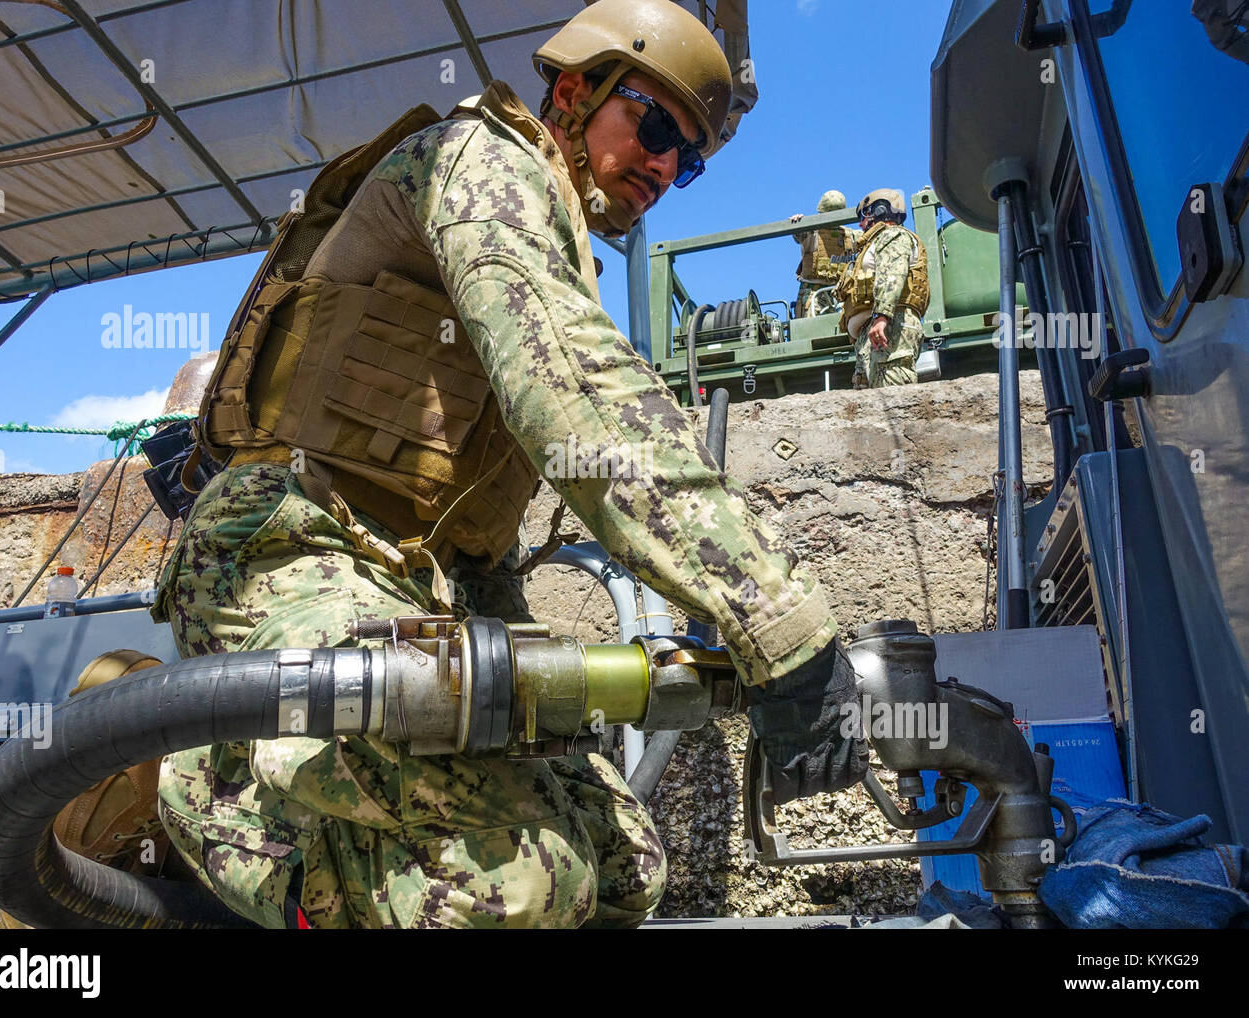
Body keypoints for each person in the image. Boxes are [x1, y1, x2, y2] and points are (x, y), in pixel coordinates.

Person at [150, 0, 867, 930]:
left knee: (622, 870)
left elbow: (483, 524)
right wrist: (779, 620)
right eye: (652, 125)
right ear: (574, 90)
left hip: (429, 586)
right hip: (292, 544)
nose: (664, 165)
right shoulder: (482, 165)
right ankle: (213, 771)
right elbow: (576, 388)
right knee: (513, 889)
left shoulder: (558, 238)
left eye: (687, 160)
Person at [834, 188, 931, 387]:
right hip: (871, 335)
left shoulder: (893, 235)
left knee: (893, 400)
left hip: (889, 328)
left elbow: (893, 274)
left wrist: (882, 317)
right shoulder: (872, 245)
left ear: (880, 210)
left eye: (864, 216)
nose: (861, 224)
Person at [788, 190, 859, 319]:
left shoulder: (849, 235)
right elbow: (799, 235)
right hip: (814, 295)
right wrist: (797, 223)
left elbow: (871, 238)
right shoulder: (812, 232)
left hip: (840, 295)